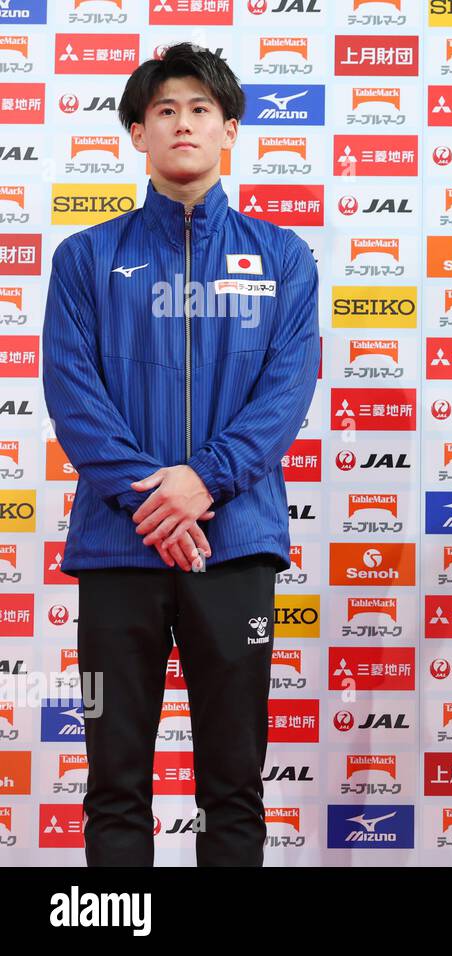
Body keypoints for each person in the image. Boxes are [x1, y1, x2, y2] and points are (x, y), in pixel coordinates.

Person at [41, 43, 319, 866]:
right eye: (165, 110)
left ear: (230, 131)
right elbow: (73, 396)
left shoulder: (284, 257)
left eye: (201, 110)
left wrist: (204, 482)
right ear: (137, 133)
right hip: (116, 548)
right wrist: (152, 500)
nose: (184, 123)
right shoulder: (85, 258)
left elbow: (283, 395)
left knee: (234, 784)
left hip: (235, 548)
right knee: (114, 779)